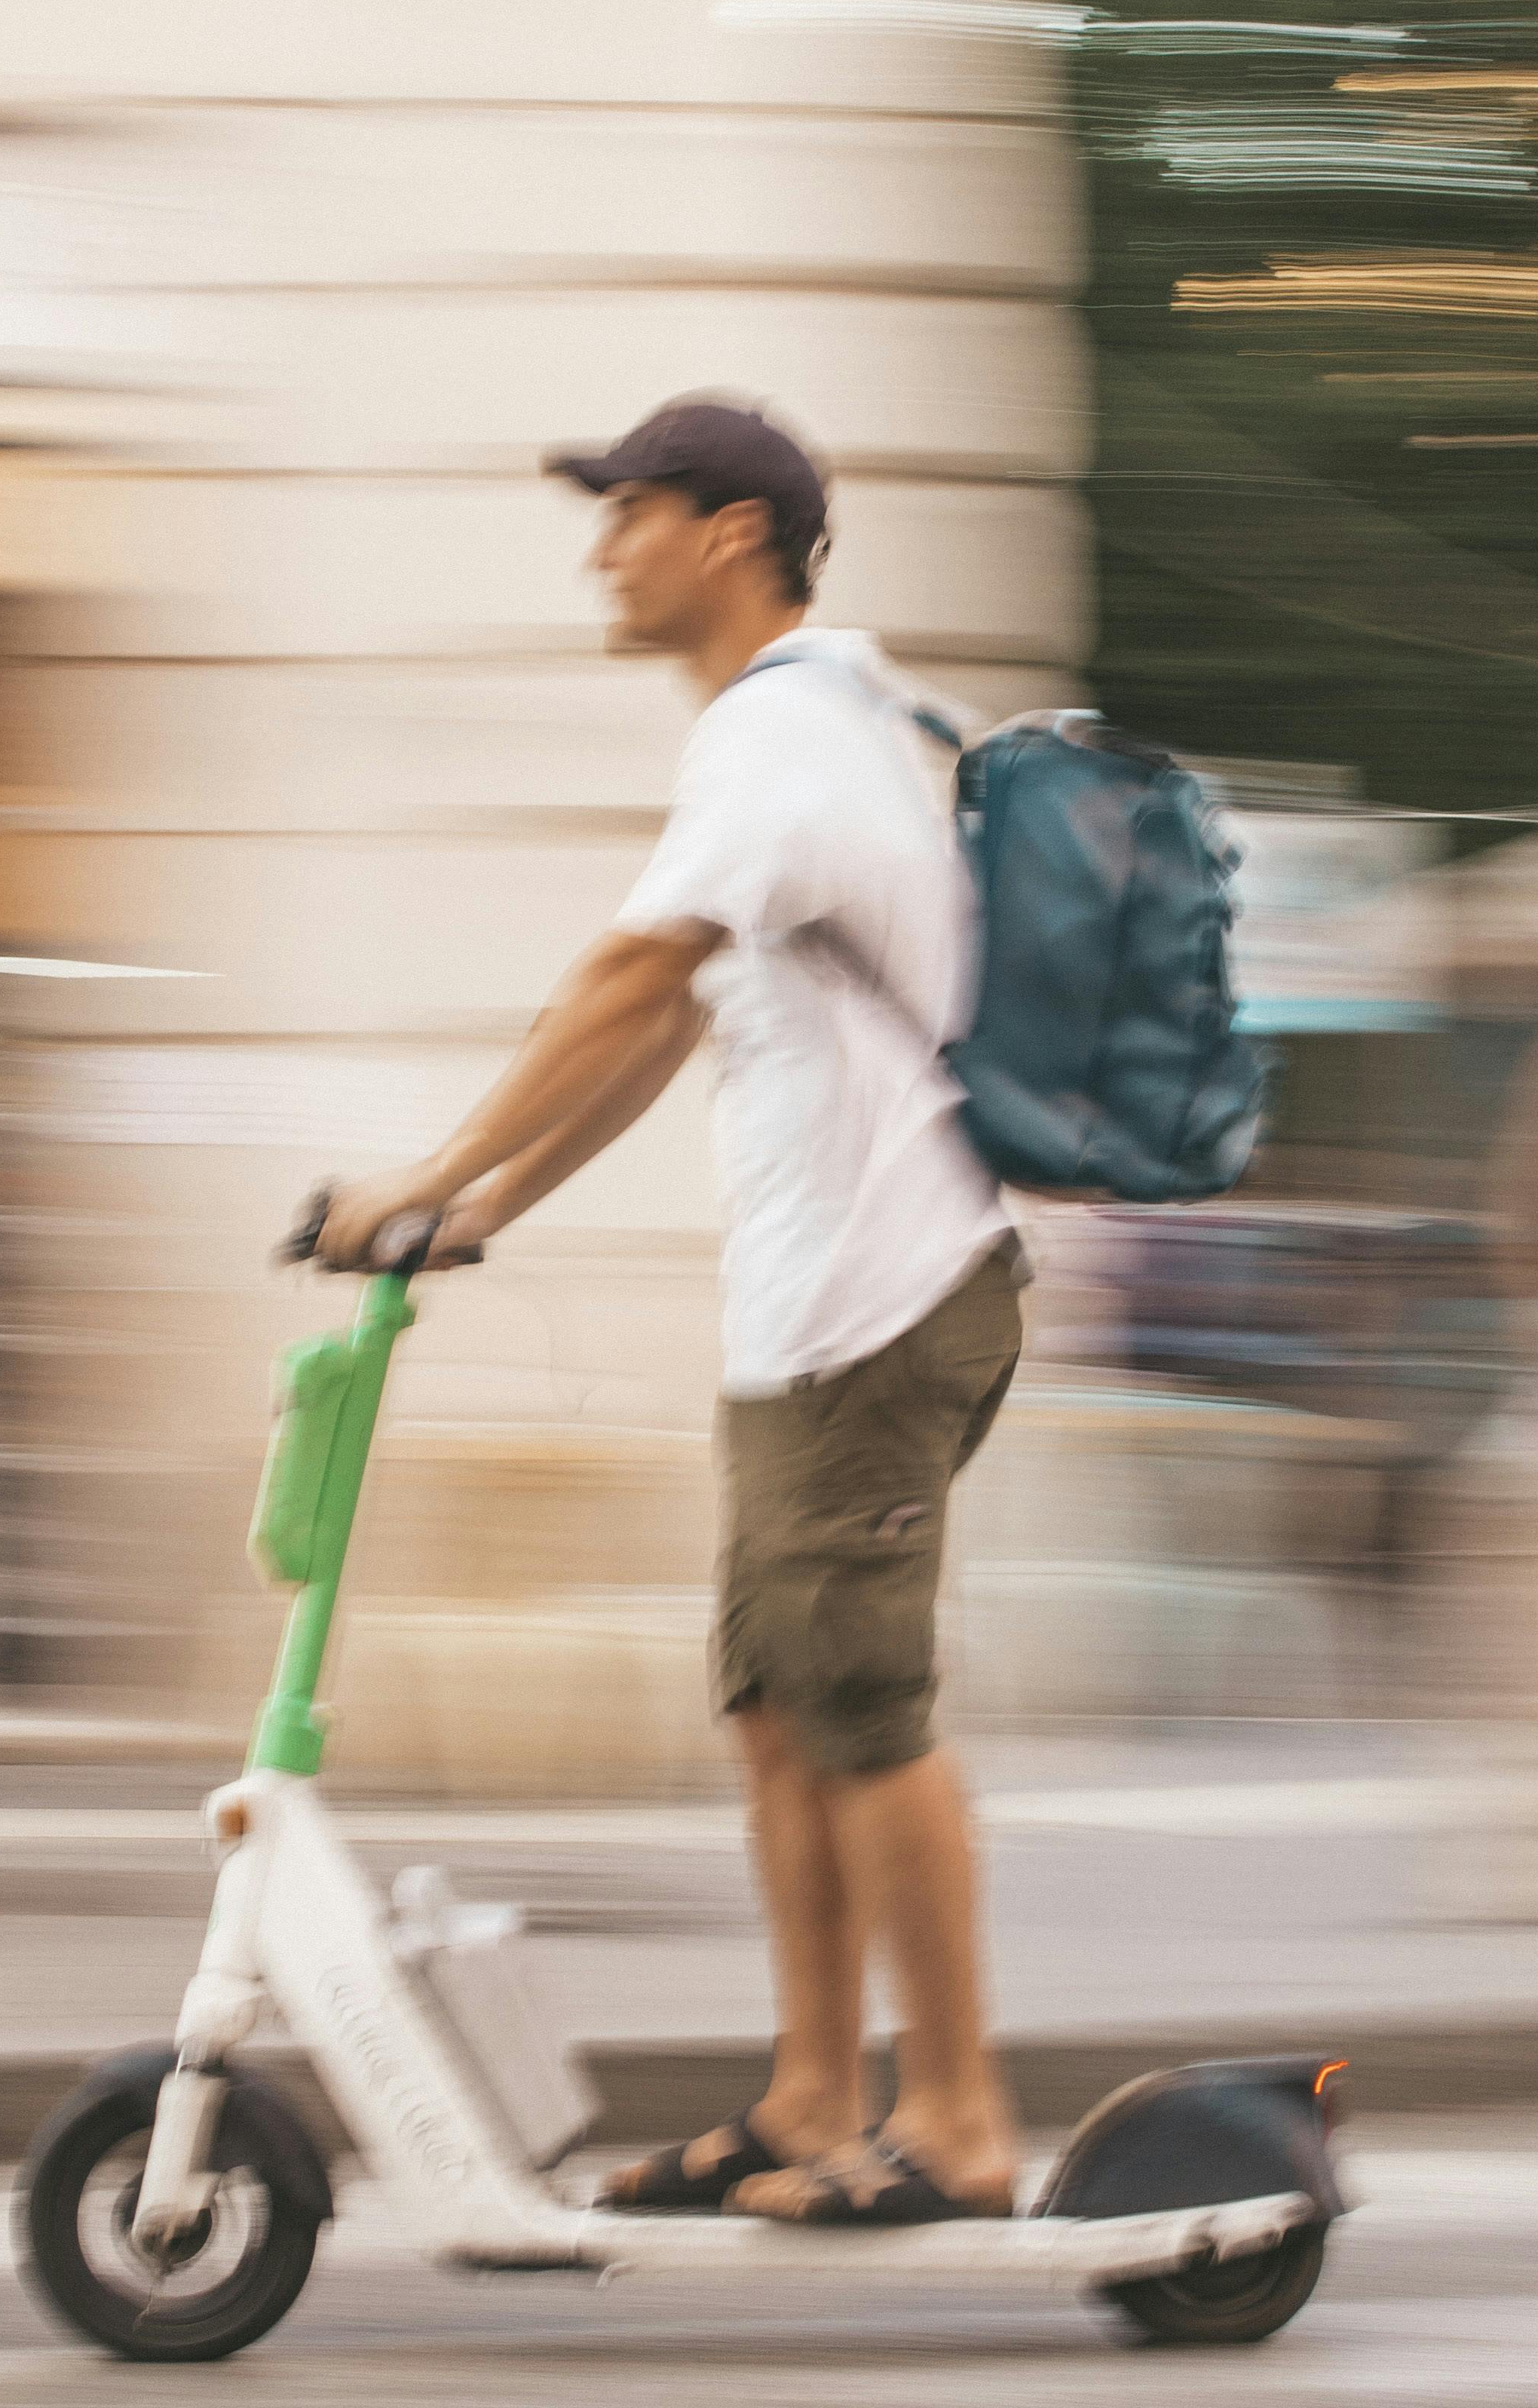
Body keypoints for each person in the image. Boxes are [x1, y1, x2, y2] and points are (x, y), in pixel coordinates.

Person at [304, 393, 1026, 2227]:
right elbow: (682, 1020)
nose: (599, 551)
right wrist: (479, 1206)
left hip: (877, 1294)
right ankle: (808, 2096)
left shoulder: (782, 736)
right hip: (814, 1312)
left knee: (867, 1705)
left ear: (730, 534)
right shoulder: (802, 735)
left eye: (627, 512)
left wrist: (421, 1161)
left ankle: (952, 2118)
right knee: (784, 1713)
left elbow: (627, 978)